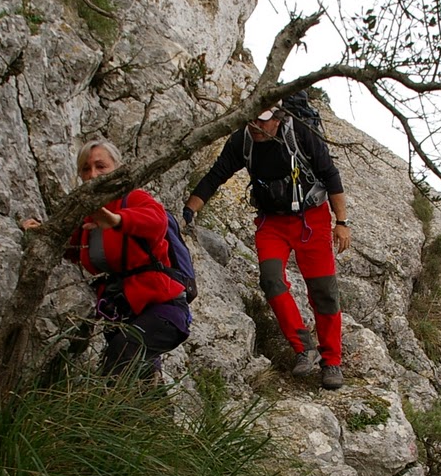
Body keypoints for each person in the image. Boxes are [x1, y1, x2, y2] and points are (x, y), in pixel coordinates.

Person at [183, 100, 351, 390]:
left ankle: (332, 361)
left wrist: (342, 222)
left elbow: (330, 174)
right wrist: (188, 210)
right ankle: (304, 349)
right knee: (271, 280)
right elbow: (217, 175)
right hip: (271, 223)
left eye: (263, 120)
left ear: (278, 118)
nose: (256, 126)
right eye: (252, 120)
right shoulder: (242, 141)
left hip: (311, 219)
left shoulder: (300, 132)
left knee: (324, 292)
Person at [22, 139, 191, 377]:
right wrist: (40, 232)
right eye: (86, 169)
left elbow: (157, 220)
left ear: (117, 169)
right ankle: (150, 401)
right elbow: (69, 247)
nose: (93, 174)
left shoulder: (133, 199)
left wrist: (116, 220)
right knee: (138, 379)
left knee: (121, 357)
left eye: (101, 166)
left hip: (163, 309)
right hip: (123, 313)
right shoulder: (86, 217)